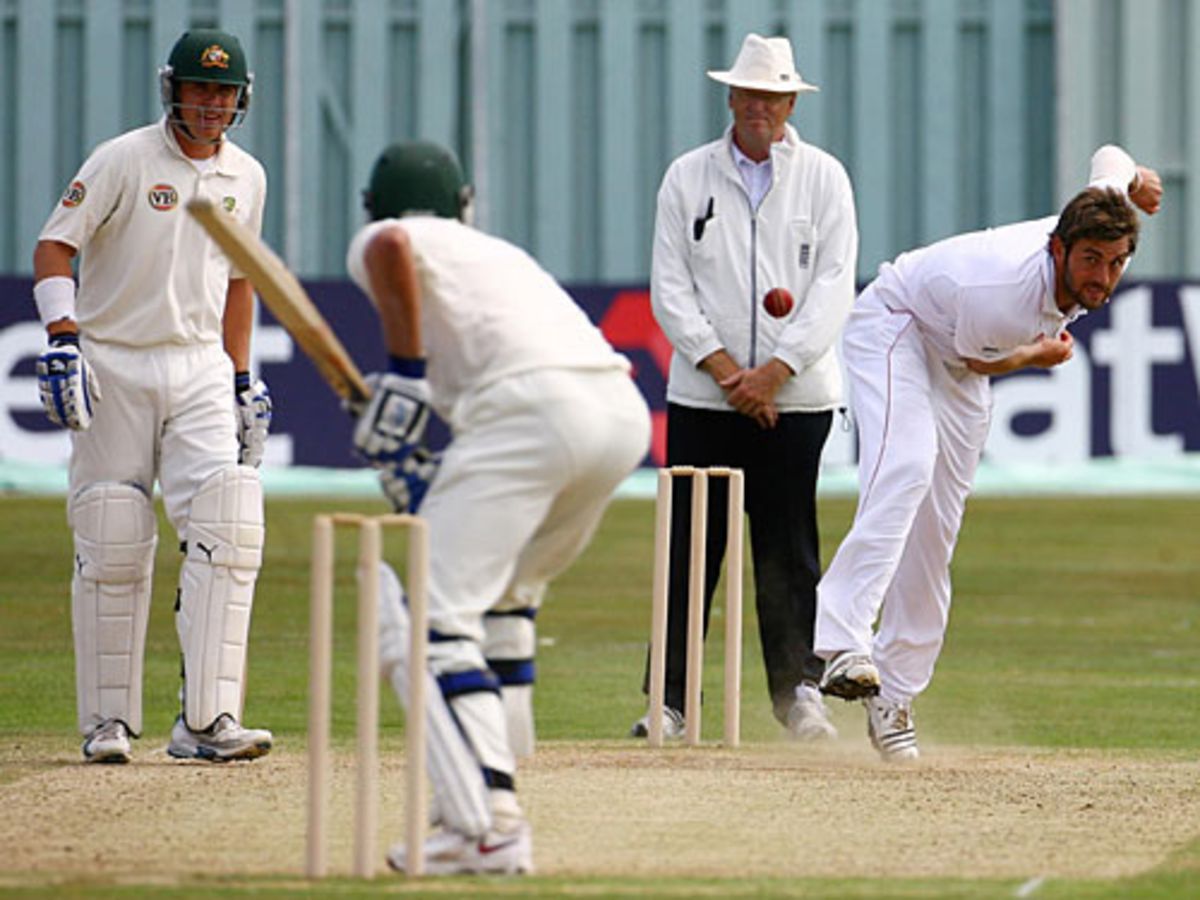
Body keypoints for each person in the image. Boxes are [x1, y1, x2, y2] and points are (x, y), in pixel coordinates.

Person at [346, 141, 651, 875]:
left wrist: (407, 378)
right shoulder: (495, 253)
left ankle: (486, 822)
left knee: (434, 616)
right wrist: (426, 470)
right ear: (465, 202)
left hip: (532, 414)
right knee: (506, 601)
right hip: (618, 417)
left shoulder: (387, 236)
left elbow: (389, 245)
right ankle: (503, 774)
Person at [814, 145, 1162, 761]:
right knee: (905, 466)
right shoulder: (1003, 292)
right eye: (1090, 262)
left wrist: (1137, 178)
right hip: (898, 324)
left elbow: (1107, 155)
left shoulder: (1102, 213)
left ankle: (893, 697)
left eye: (1115, 264)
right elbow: (983, 360)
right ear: (1058, 248)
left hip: (959, 359)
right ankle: (843, 640)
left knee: (936, 534)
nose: (1102, 278)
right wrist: (1038, 355)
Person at [32, 29, 274, 764]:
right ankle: (107, 723)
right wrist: (64, 336)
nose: (211, 105)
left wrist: (240, 377)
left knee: (230, 522)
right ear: (173, 89)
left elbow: (240, 281)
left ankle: (207, 722)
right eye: (200, 90)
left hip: (200, 365)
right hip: (115, 359)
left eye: (224, 92)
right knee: (111, 529)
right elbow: (55, 245)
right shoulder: (123, 159)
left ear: (242, 99)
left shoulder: (247, 176)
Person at [632, 33, 858, 741]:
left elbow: (833, 284)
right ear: (731, 96)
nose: (760, 106)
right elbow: (671, 286)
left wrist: (776, 371)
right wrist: (727, 370)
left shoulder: (824, 177)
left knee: (789, 549)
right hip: (705, 396)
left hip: (796, 399)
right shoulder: (686, 176)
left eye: (774, 96)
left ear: (791, 101)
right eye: (750, 93)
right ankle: (668, 703)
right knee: (688, 547)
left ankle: (798, 695)